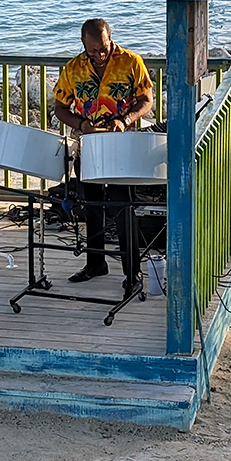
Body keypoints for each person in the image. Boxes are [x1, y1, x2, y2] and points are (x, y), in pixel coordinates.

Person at [53, 18, 154, 293]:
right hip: (89, 146)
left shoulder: (131, 62)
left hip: (121, 146)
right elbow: (60, 108)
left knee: (123, 209)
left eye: (104, 48)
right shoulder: (73, 68)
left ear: (110, 39)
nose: (99, 55)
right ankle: (95, 263)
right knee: (92, 207)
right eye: (93, 50)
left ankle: (132, 273)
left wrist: (125, 119)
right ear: (83, 44)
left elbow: (146, 100)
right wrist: (81, 124)